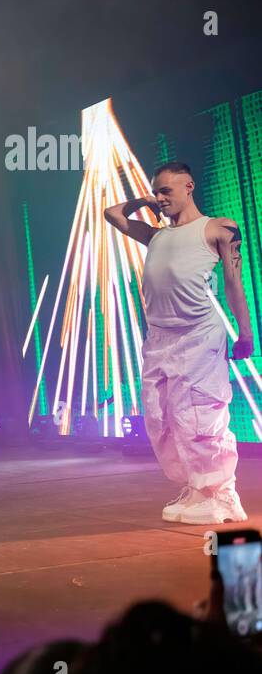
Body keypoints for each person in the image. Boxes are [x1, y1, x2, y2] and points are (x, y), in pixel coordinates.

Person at [103, 161, 251, 524]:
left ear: (190, 186)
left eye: (166, 191)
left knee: (199, 414)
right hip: (159, 338)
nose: (160, 198)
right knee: (160, 417)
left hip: (198, 333)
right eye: (156, 191)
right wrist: (146, 200)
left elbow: (233, 283)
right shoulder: (156, 236)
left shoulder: (218, 228)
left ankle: (221, 493)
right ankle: (195, 487)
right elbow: (112, 214)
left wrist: (245, 332)